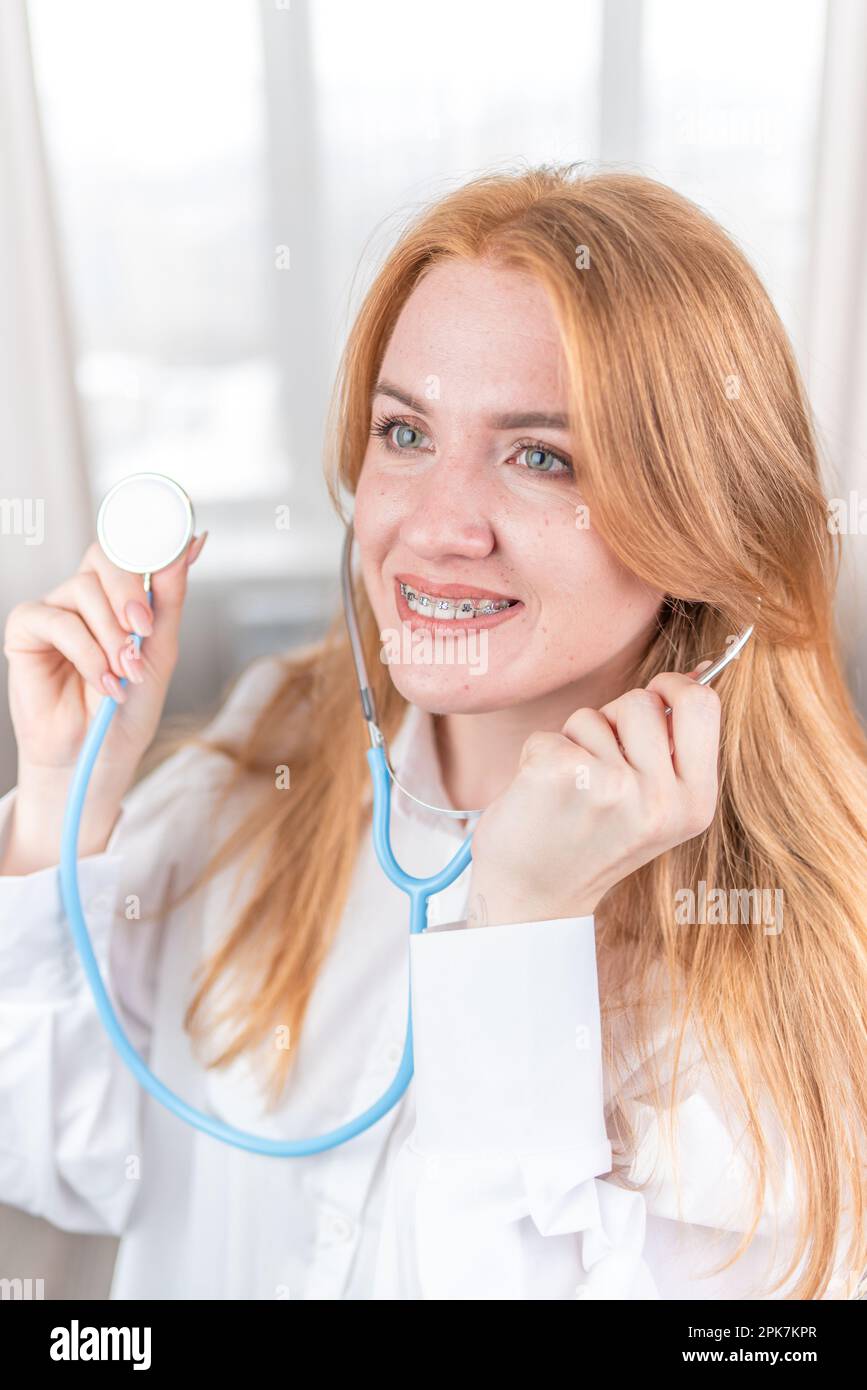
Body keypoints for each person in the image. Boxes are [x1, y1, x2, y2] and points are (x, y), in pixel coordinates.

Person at [1, 165, 865, 1300]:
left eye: (541, 455)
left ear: (704, 522)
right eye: (405, 432)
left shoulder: (796, 973)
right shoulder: (277, 747)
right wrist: (72, 790)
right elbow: (59, 1155)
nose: (432, 526)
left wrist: (518, 944)